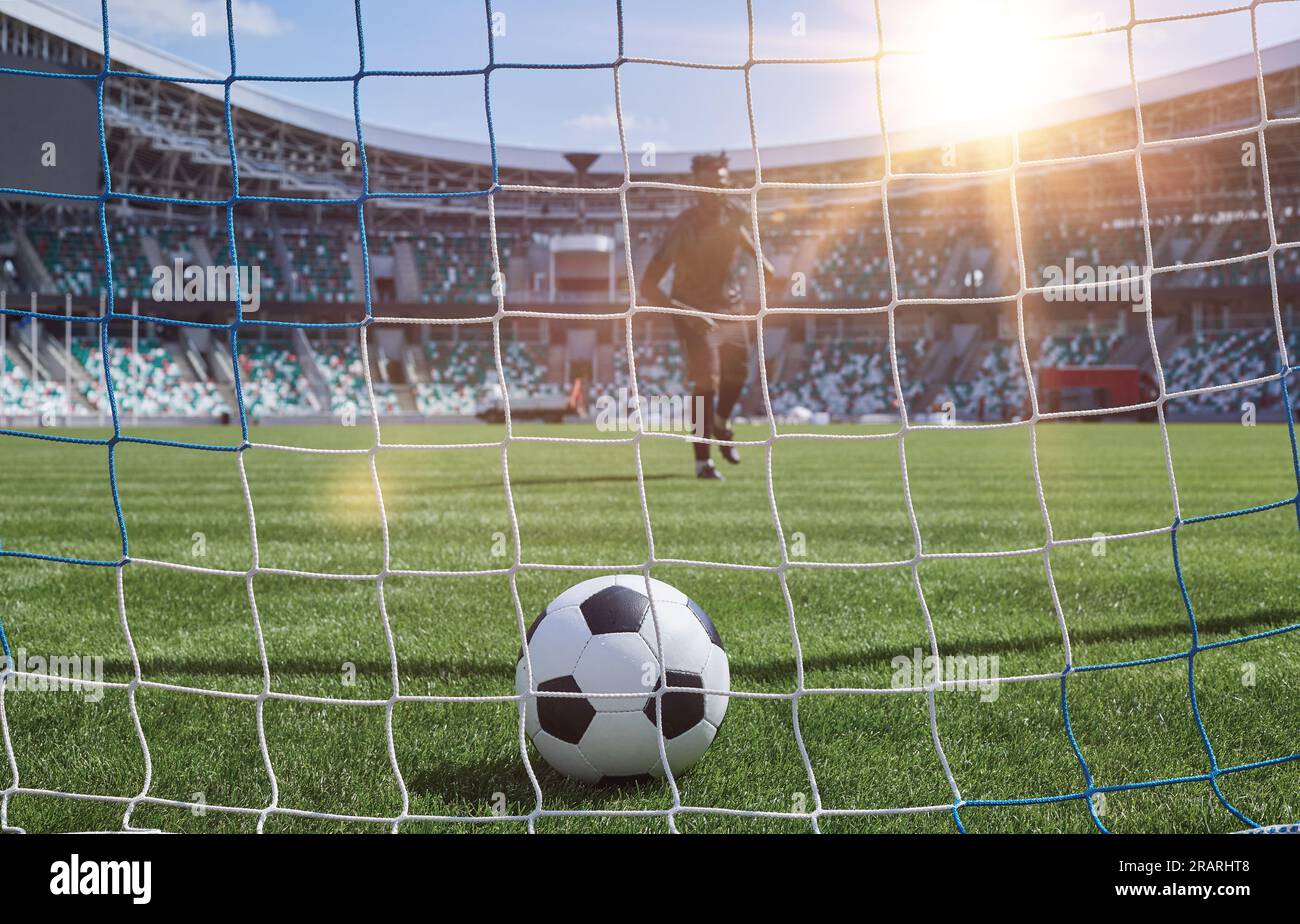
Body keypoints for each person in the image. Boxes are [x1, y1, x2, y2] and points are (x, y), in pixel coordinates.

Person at [639, 152, 778, 480]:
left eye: (724, 182)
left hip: (731, 307)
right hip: (691, 310)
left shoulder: (735, 213)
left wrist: (762, 260)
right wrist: (686, 314)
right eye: (712, 183)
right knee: (707, 381)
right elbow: (648, 285)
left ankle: (721, 422)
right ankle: (703, 460)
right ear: (696, 186)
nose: (719, 188)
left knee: (738, 375)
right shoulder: (683, 227)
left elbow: (737, 233)